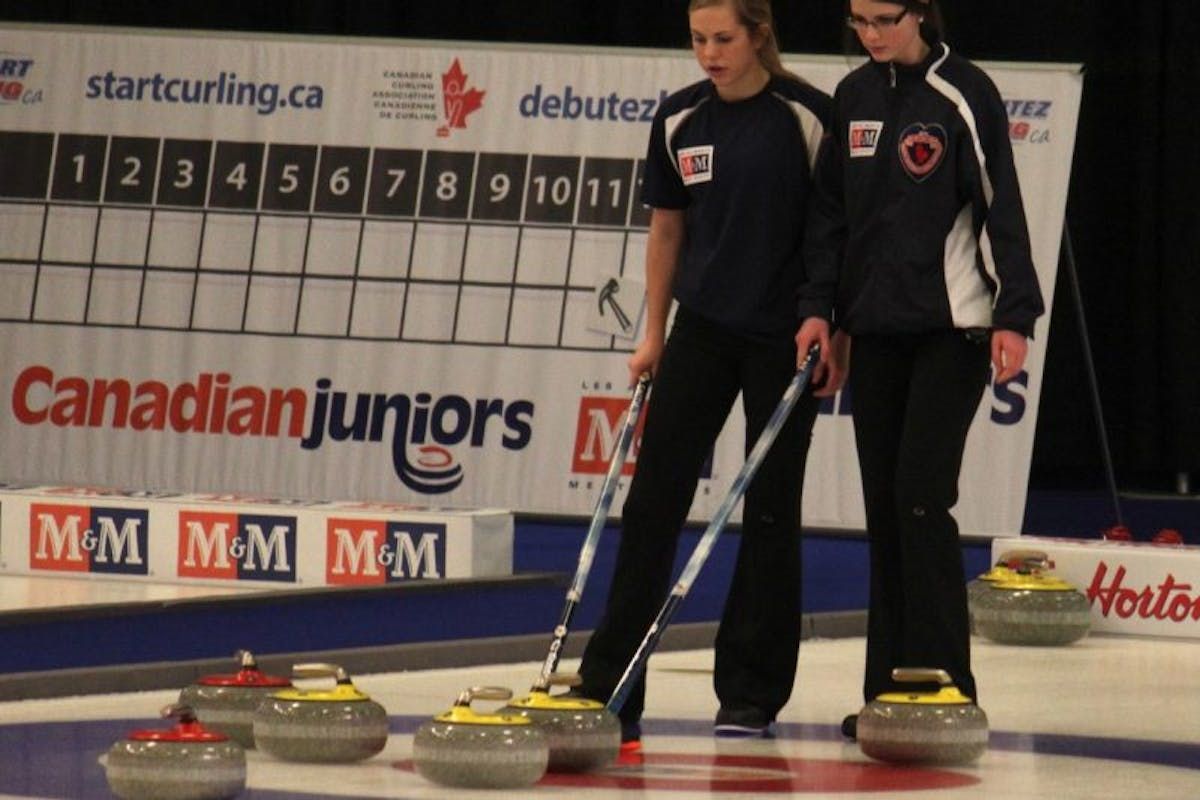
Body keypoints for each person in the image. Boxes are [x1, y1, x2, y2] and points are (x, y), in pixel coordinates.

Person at [574, 0, 832, 746]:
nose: (709, 54)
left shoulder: (807, 116)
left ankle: (750, 694)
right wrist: (653, 333)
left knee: (771, 511)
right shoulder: (680, 118)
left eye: (723, 39)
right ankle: (612, 687)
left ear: (759, 36)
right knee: (652, 503)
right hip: (702, 333)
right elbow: (666, 227)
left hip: (784, 340)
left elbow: (832, 231)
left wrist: (828, 325)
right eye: (697, 40)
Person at [794, 0, 1045, 736]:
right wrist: (824, 312)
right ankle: (887, 693)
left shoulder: (965, 92)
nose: (870, 35)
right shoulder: (853, 98)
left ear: (921, 12)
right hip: (874, 333)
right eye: (857, 22)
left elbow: (1000, 202)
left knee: (921, 499)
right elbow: (831, 217)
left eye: (883, 20)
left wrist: (1014, 315)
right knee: (884, 506)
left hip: (953, 329)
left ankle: (947, 687)